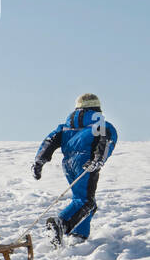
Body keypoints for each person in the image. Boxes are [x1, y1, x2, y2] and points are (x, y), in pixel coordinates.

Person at [32, 93, 117, 246]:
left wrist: (39, 162)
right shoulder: (101, 124)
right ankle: (61, 223)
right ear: (97, 108)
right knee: (86, 202)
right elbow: (106, 141)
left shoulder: (65, 126)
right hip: (86, 163)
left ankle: (79, 235)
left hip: (68, 164)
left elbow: (49, 141)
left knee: (82, 199)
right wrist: (97, 161)